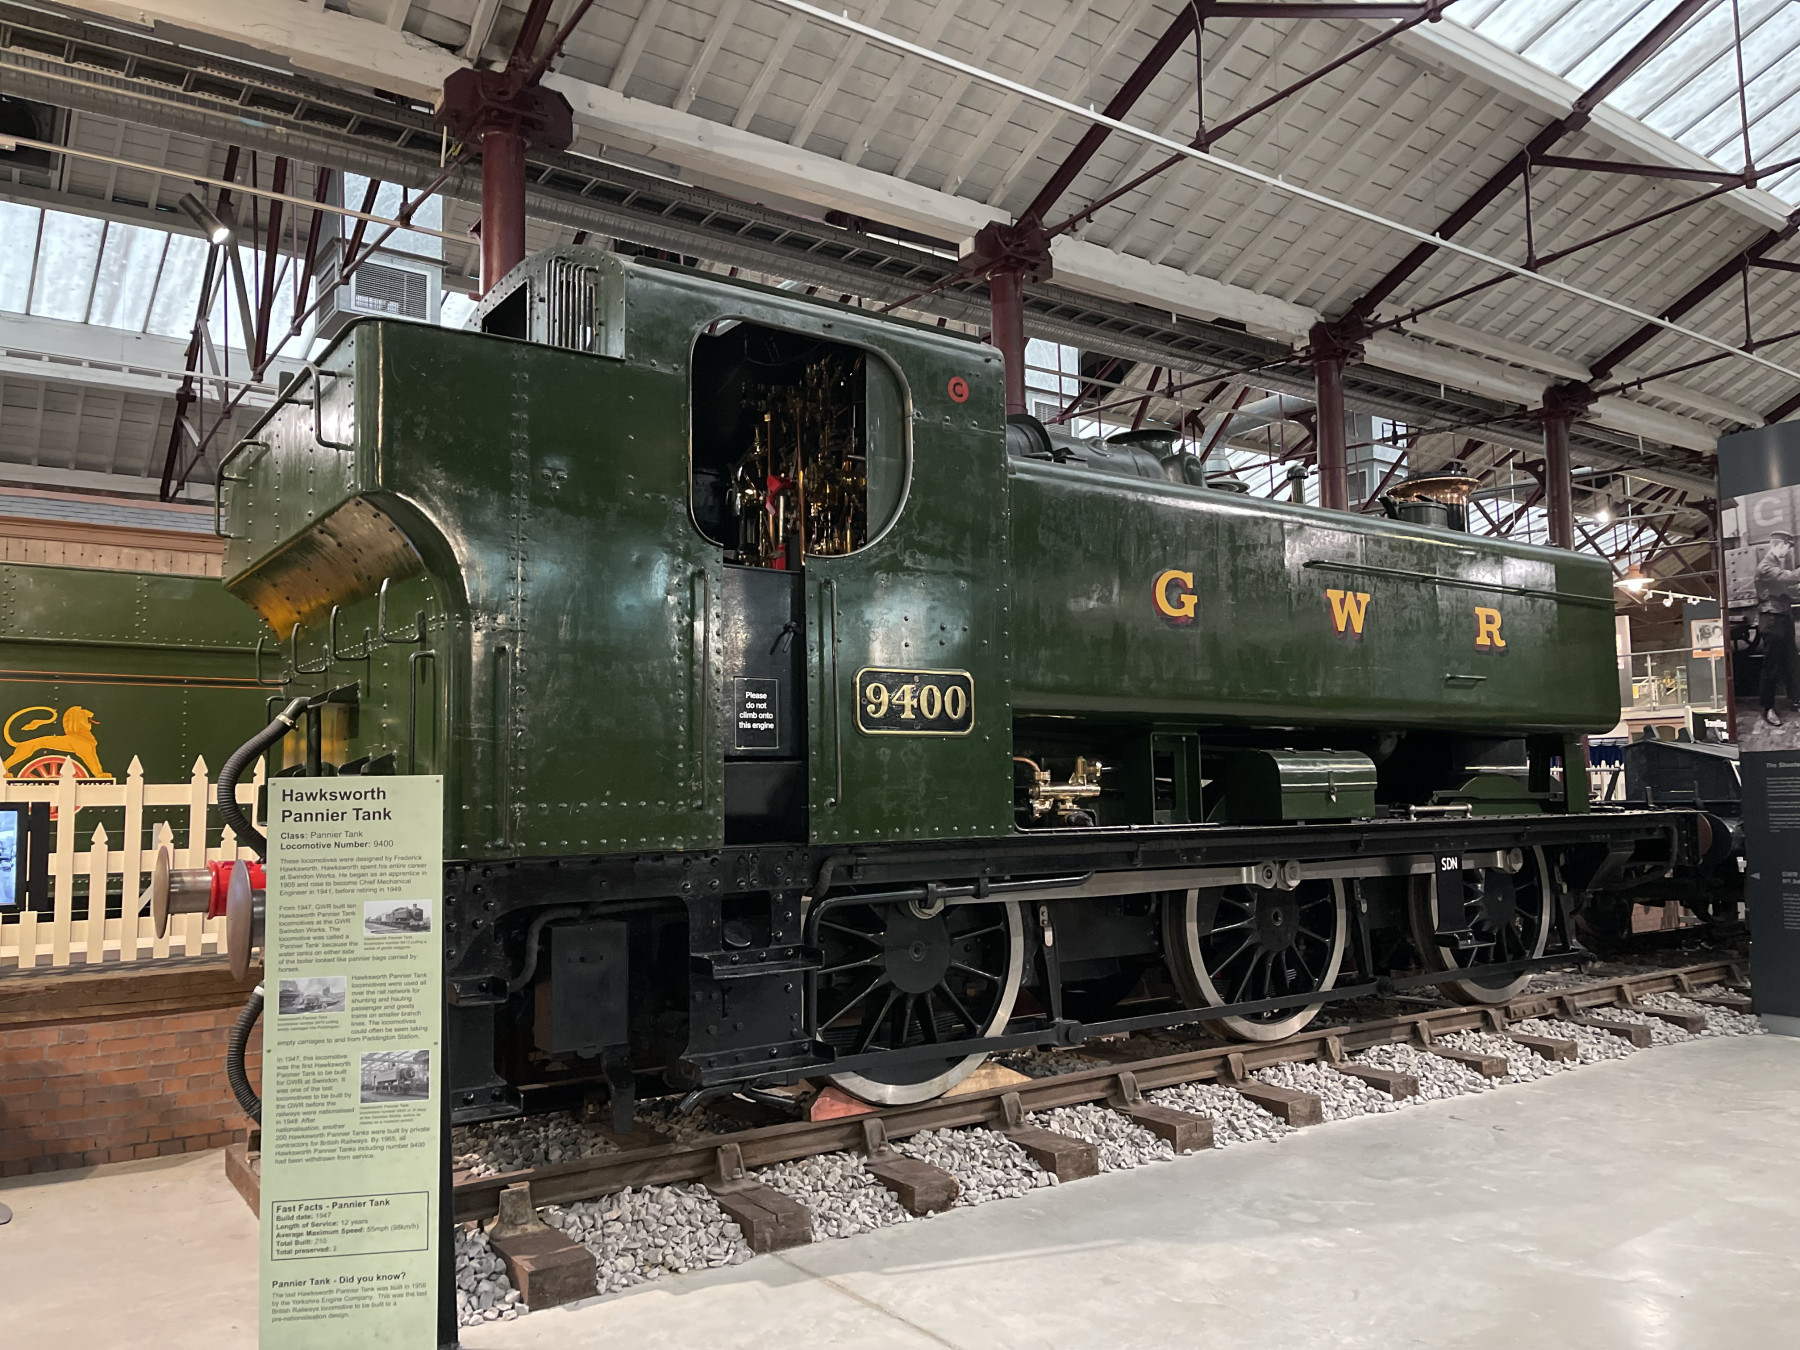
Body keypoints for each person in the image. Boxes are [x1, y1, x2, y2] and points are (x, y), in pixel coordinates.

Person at [1755, 529, 1800, 726]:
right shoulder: (1765, 567)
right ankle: (1768, 708)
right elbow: (1785, 578)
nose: (1788, 552)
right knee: (1771, 666)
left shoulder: (1775, 565)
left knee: (1791, 661)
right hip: (1771, 619)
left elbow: (1787, 588)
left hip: (1784, 617)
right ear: (1778, 545)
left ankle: (1796, 699)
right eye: (1787, 548)